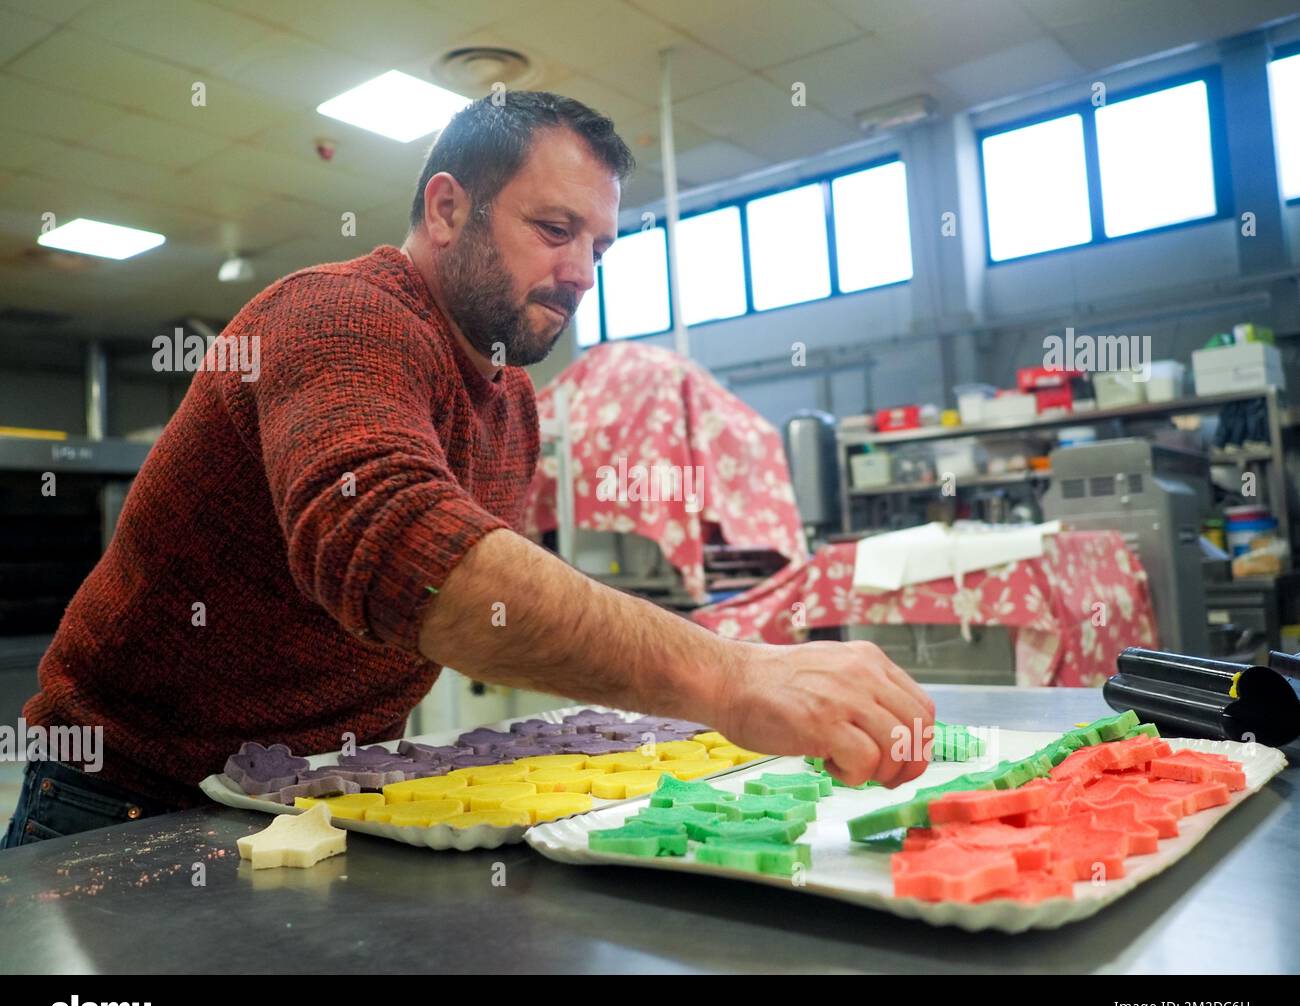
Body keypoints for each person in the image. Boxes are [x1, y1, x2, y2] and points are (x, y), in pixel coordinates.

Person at [4, 92, 932, 849]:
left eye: (599, 248)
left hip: (310, 801)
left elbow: (491, 610)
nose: (581, 274)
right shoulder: (338, 317)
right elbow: (404, 551)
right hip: (123, 795)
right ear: (447, 208)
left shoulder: (510, 401)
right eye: (555, 228)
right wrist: (728, 676)